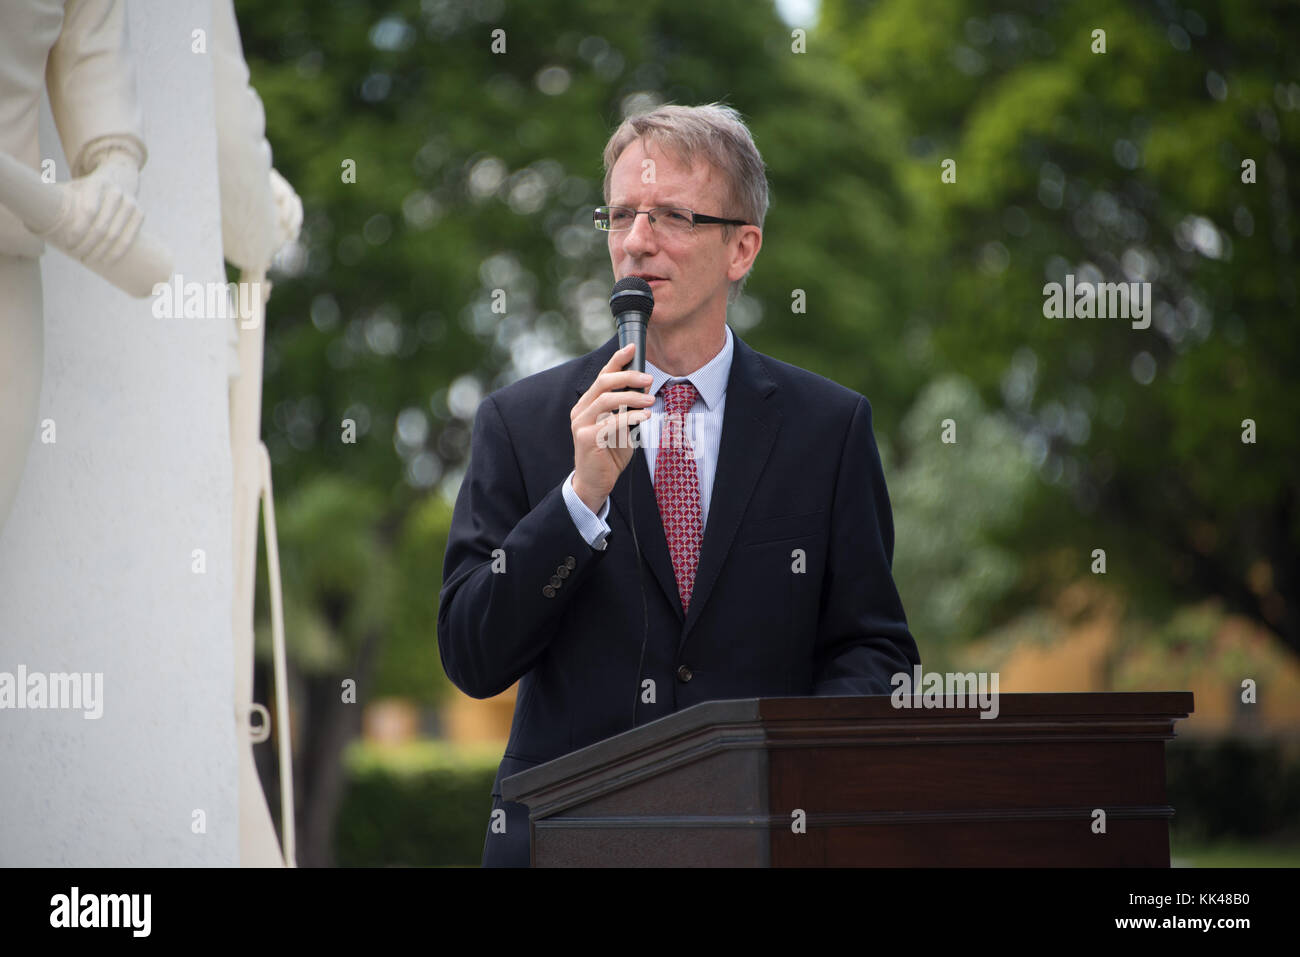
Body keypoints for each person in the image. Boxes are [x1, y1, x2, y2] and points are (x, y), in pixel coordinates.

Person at [437, 103, 920, 867]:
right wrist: (579, 498)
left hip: (763, 842)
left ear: (742, 248)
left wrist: (789, 773)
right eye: (622, 214)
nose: (636, 242)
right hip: (569, 845)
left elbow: (875, 650)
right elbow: (471, 652)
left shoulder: (828, 428)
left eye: (671, 216)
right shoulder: (521, 422)